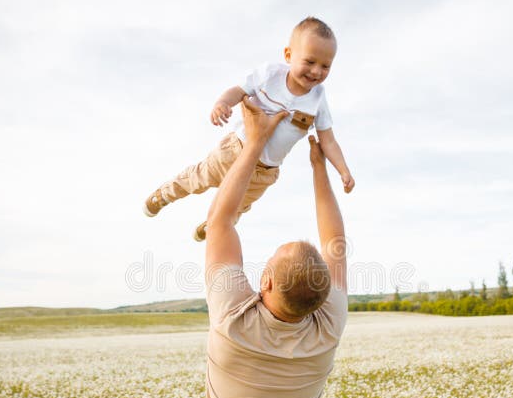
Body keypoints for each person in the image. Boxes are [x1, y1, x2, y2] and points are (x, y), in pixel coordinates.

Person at [200, 96, 348, 398]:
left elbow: (220, 222)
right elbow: (335, 239)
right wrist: (320, 168)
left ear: (265, 282)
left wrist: (255, 143)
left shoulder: (232, 320)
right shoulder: (329, 326)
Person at [143, 16, 355, 241]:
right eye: (310, 62)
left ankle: (212, 225)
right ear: (289, 55)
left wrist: (343, 170)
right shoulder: (269, 75)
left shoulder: (318, 100)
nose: (316, 71)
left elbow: (328, 140)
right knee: (199, 178)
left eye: (325, 66)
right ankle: (164, 195)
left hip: (266, 171)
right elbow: (239, 90)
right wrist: (223, 103)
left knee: (240, 206)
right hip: (235, 151)